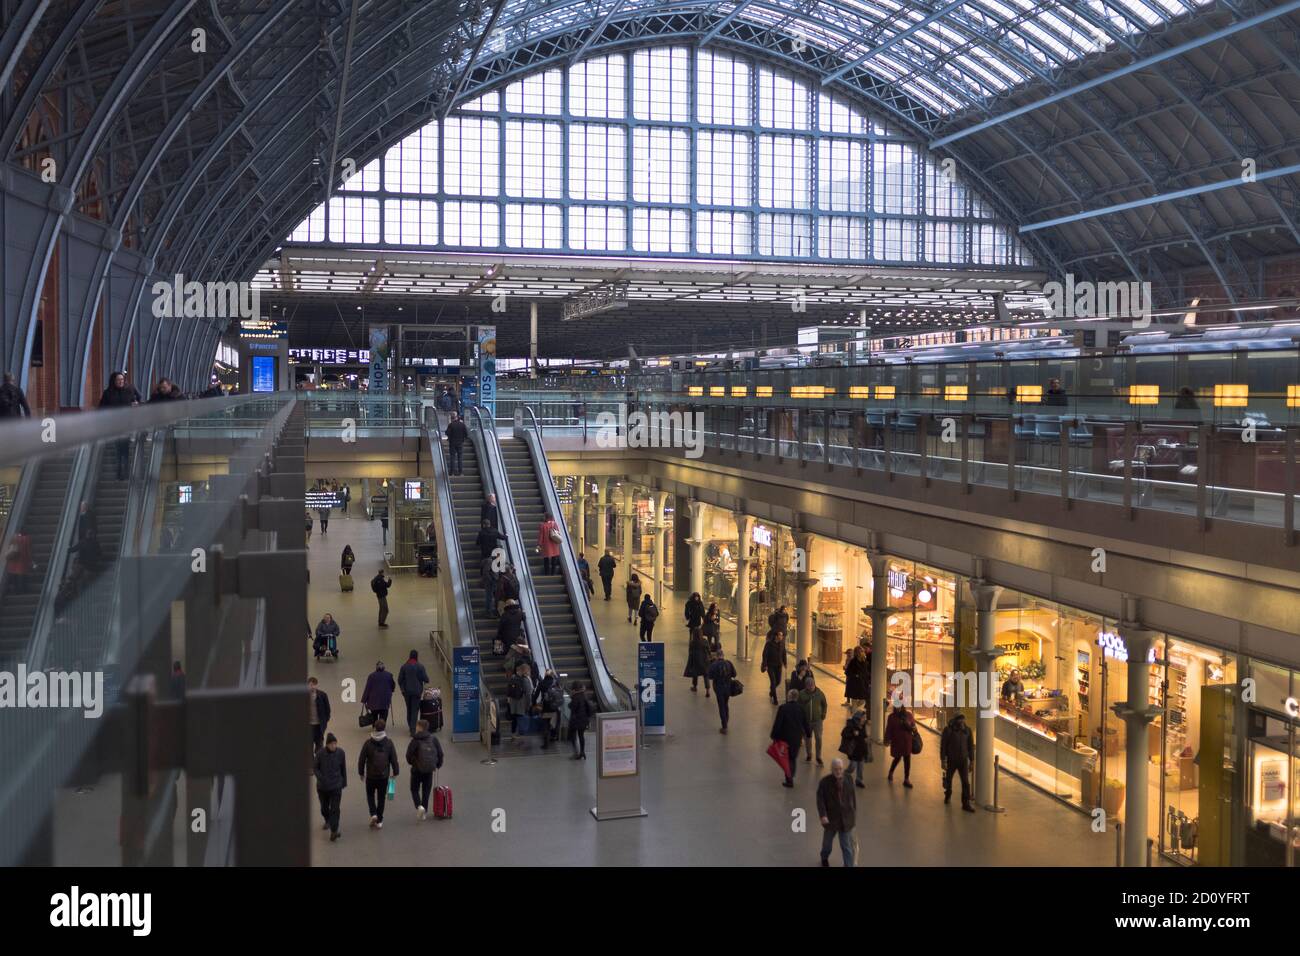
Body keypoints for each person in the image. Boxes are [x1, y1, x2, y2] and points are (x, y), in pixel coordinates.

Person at [357, 719, 399, 829]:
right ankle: (379, 820)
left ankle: (373, 813)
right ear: (384, 728)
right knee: (381, 798)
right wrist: (395, 771)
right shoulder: (389, 743)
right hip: (383, 776)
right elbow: (394, 759)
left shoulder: (368, 743)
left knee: (370, 795)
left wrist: (361, 772)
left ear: (375, 728)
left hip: (371, 776)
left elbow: (361, 759)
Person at [99, 371, 141, 479]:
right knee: (117, 449)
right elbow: (102, 408)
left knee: (125, 448)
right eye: (118, 380)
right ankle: (119, 471)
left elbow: (139, 398)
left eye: (122, 379)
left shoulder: (130, 389)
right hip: (114, 425)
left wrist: (136, 404)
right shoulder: (108, 393)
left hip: (127, 423)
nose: (120, 381)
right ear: (113, 381)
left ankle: (125, 471)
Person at [816, 758, 858, 867]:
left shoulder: (849, 779)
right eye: (835, 769)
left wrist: (853, 814)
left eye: (840, 769)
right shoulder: (824, 782)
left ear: (843, 769)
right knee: (827, 844)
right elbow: (820, 800)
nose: (838, 771)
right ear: (831, 769)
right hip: (831, 819)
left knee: (846, 846)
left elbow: (852, 797)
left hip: (846, 819)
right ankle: (824, 857)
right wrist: (823, 815)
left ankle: (848, 865)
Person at [405, 718, 444, 820]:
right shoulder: (433, 739)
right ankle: (424, 812)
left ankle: (419, 806)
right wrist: (437, 765)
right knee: (426, 791)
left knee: (414, 789)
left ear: (419, 727)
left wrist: (412, 762)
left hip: (416, 769)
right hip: (429, 770)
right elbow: (440, 753)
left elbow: (408, 755)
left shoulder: (415, 740)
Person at [770, 689, 811, 787]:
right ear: (797, 697)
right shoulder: (801, 709)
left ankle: (789, 778)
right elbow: (805, 723)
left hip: (785, 738)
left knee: (787, 758)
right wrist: (808, 734)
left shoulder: (783, 708)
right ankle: (790, 776)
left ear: (789, 697)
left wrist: (774, 735)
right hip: (796, 738)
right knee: (793, 757)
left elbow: (778, 723)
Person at [940, 711, 977, 812]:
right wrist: (943, 760)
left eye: (962, 719)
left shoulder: (967, 730)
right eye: (959, 719)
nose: (961, 721)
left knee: (965, 782)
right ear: (955, 720)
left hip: (963, 760)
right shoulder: (948, 730)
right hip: (951, 760)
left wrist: (972, 761)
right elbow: (943, 746)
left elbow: (970, 746)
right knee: (948, 779)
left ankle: (966, 803)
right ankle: (948, 794)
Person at [313, 733, 347, 841]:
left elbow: (343, 768)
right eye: (332, 744)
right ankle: (327, 819)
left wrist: (344, 782)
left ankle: (334, 831)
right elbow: (315, 768)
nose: (334, 746)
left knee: (335, 809)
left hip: (336, 786)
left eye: (335, 743)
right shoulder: (320, 754)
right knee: (324, 807)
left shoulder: (341, 753)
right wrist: (321, 778)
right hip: (323, 788)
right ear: (327, 744)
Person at [885, 701, 917, 788]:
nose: (898, 708)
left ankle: (906, 779)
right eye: (896, 706)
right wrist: (887, 739)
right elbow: (889, 729)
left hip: (907, 742)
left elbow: (914, 726)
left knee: (907, 760)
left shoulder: (908, 715)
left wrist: (912, 728)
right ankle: (891, 772)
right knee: (897, 758)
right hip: (897, 742)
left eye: (899, 706)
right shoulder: (891, 717)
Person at [397, 650, 429, 735]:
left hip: (406, 692)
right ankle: (413, 729)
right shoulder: (420, 666)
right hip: (416, 692)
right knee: (414, 710)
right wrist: (424, 680)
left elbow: (399, 680)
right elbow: (426, 679)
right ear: (417, 656)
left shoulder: (404, 666)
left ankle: (410, 726)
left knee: (409, 709)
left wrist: (403, 689)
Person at [800, 675, 829, 767]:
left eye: (812, 686)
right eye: (808, 686)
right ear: (806, 686)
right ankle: (809, 754)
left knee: (818, 738)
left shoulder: (820, 693)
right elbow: (798, 706)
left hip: (817, 721)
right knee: (808, 739)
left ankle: (818, 757)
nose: (811, 688)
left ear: (814, 684)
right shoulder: (801, 694)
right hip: (806, 721)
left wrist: (823, 714)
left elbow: (824, 704)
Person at [838, 709, 871, 788]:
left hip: (861, 750)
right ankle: (844, 774)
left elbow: (864, 736)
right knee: (852, 766)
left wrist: (867, 741)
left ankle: (859, 780)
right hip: (853, 751)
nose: (864, 719)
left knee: (861, 767)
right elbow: (843, 733)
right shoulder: (851, 725)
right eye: (863, 718)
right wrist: (853, 734)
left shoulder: (863, 726)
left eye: (865, 717)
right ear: (858, 718)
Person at [706, 651, 737, 733]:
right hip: (728, 688)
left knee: (721, 706)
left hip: (719, 689)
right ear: (723, 655)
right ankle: (726, 721)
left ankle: (724, 726)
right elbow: (734, 674)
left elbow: (710, 676)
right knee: (726, 704)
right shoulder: (729, 663)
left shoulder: (714, 665)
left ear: (716, 656)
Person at [568, 681, 594, 759]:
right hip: (584, 720)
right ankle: (582, 752)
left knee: (572, 736)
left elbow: (572, 707)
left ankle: (576, 753)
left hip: (575, 720)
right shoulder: (584, 695)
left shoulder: (575, 697)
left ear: (574, 688)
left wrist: (571, 697)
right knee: (581, 736)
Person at [761, 628, 787, 704]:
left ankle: (772, 691)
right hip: (770, 666)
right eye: (780, 635)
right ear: (776, 636)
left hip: (779, 666)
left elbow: (784, 653)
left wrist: (785, 663)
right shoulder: (769, 644)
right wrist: (765, 664)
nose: (782, 637)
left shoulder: (782, 644)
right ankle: (775, 699)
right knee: (773, 681)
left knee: (778, 681)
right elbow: (765, 654)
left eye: (782, 635)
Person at [683, 624, 711, 694]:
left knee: (695, 673)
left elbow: (690, 652)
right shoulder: (705, 641)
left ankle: (695, 687)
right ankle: (707, 690)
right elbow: (709, 650)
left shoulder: (692, 643)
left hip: (696, 660)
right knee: (706, 674)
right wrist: (709, 656)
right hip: (704, 660)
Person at [309, 676, 331, 753]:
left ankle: (318, 758)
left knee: (319, 744)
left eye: (314, 685)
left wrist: (325, 721)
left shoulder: (322, 695)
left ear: (316, 685)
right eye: (311, 685)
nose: (312, 687)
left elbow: (328, 709)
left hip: (319, 725)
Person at [844, 645, 870, 712]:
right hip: (854, 684)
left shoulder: (864, 661)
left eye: (862, 651)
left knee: (863, 699)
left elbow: (866, 672)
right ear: (856, 653)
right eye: (860, 651)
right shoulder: (853, 661)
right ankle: (853, 712)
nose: (862, 653)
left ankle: (853, 709)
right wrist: (856, 675)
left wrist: (868, 680)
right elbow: (847, 672)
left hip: (863, 684)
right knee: (854, 700)